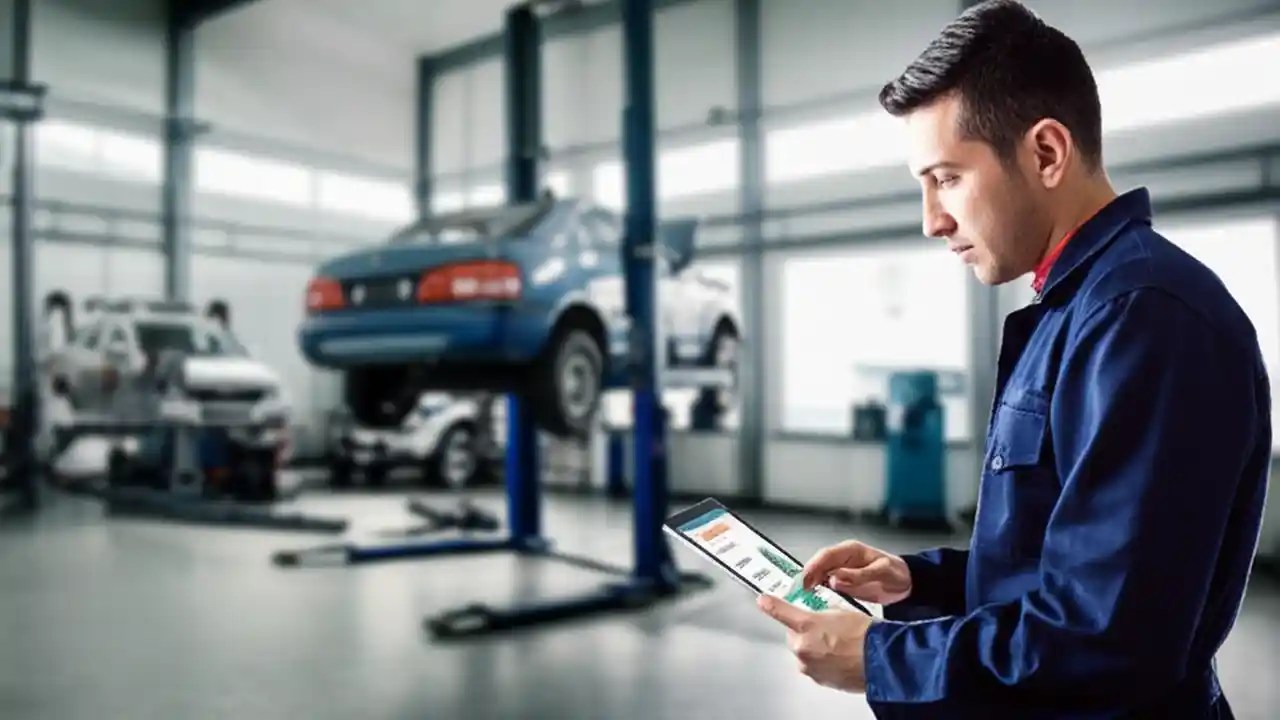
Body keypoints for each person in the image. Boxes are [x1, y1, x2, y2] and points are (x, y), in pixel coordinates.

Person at [756, 2, 1270, 718]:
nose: (932, 219)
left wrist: (878, 659)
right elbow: (1065, 570)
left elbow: (1106, 638)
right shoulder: (1079, 308)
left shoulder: (1144, 318)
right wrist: (918, 581)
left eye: (947, 179)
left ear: (1047, 153)